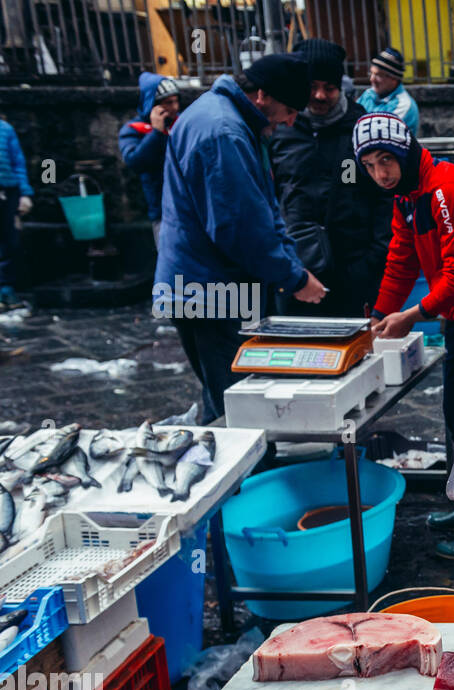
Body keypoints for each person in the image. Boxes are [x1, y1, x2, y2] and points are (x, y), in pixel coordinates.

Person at [353, 113, 454, 556]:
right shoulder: (407, 197)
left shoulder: (448, 190)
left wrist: (413, 315)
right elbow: (402, 259)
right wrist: (382, 313)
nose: (379, 174)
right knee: (453, 411)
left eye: (386, 161)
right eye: (369, 166)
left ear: (404, 152)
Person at [154, 54, 326, 424]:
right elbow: (238, 227)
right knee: (240, 407)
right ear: (262, 95)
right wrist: (294, 279)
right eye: (290, 109)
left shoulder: (236, 121)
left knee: (224, 400)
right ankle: (249, 481)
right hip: (208, 290)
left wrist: (291, 264)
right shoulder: (223, 132)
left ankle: (227, 474)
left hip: (212, 284)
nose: (292, 120)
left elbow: (263, 206)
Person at [268, 39, 391, 317]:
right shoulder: (281, 130)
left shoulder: (363, 129)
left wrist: (373, 260)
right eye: (312, 86)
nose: (320, 95)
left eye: (329, 87)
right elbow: (270, 194)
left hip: (354, 276)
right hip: (297, 273)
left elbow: (385, 196)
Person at [118, 72, 181, 246]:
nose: (175, 107)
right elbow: (135, 162)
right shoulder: (133, 130)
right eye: (168, 102)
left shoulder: (181, 124)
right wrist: (156, 133)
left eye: (177, 101)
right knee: (172, 264)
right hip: (162, 210)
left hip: (190, 206)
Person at [0, 117, 34, 309]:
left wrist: (25, 194)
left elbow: (18, 164)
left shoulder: (6, 129)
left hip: (8, 192)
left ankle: (6, 289)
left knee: (9, 241)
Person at [357, 47, 420, 135]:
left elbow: (376, 136)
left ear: (394, 78)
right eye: (371, 73)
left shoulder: (403, 105)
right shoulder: (368, 95)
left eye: (378, 75)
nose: (372, 79)